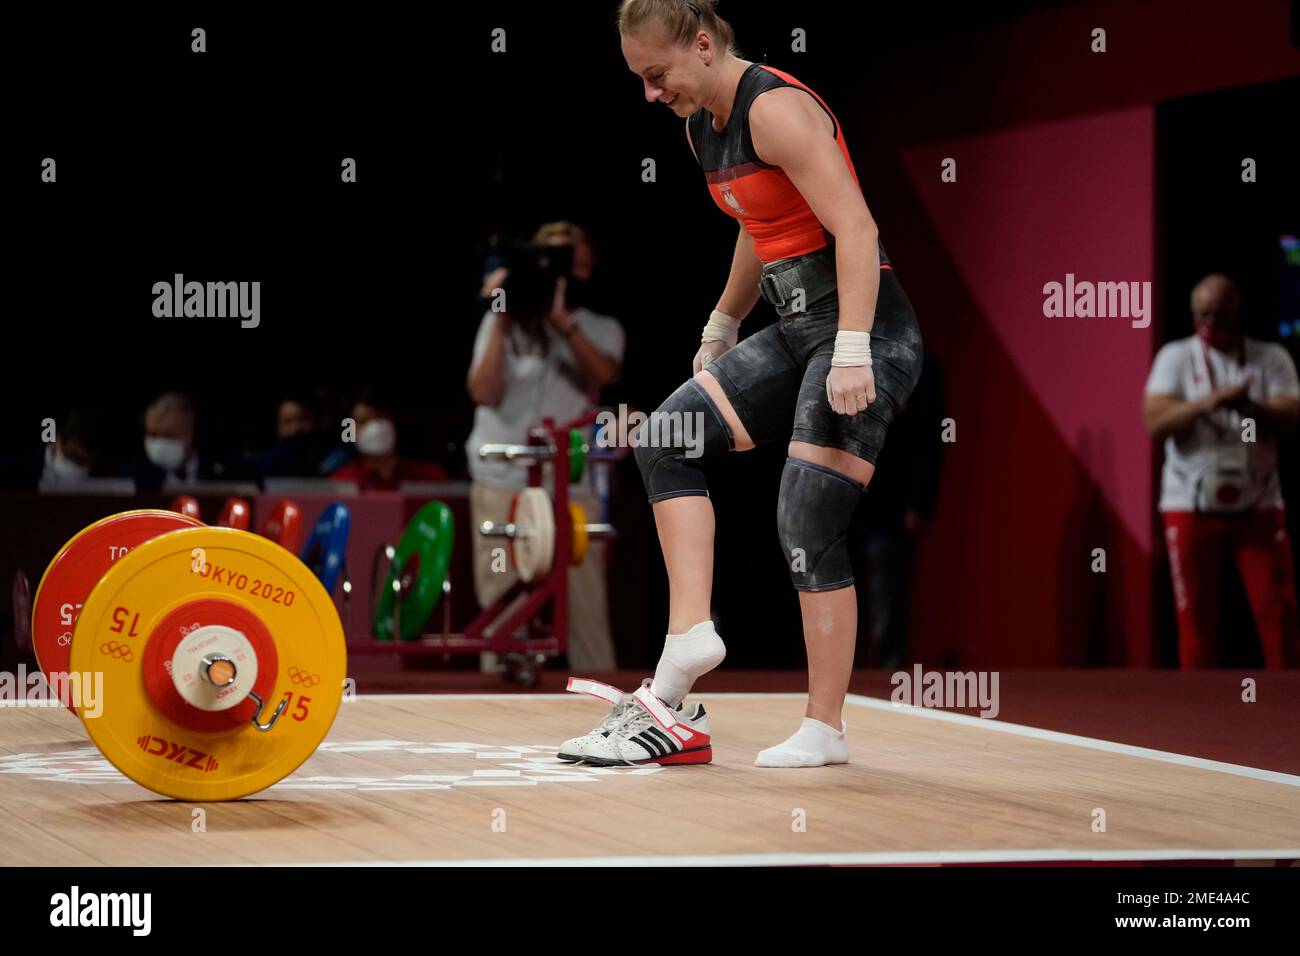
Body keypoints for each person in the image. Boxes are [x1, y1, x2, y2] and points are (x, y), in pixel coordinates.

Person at [559, 0, 924, 768]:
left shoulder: (779, 110)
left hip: (868, 333)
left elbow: (856, 228)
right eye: (641, 80)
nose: (651, 94)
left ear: (700, 45)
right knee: (664, 440)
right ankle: (691, 633)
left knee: (806, 516)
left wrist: (854, 347)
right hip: (796, 331)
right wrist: (722, 322)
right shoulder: (702, 128)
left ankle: (825, 729)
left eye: (657, 75)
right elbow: (757, 225)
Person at [466, 221, 626, 672]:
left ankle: (600, 697)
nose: (557, 271)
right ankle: (500, 694)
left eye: (568, 260)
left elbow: (603, 377)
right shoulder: (501, 325)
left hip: (568, 483)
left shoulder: (600, 327)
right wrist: (500, 312)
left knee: (586, 605)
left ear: (585, 268)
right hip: (500, 478)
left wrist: (562, 323)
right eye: (547, 259)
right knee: (501, 593)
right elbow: (483, 392)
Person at [1143, 273, 1300, 668]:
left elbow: (1291, 415)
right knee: (1194, 625)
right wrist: (1211, 402)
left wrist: (1252, 407)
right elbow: (1155, 420)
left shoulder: (1271, 358)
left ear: (1238, 311)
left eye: (1220, 312)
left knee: (1279, 618)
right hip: (1189, 501)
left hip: (1258, 502)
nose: (1211, 322)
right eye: (1203, 313)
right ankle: (1195, 720)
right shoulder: (1176, 357)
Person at [328, 391, 448, 491]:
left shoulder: (431, 479)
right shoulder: (341, 482)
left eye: (379, 417)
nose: (374, 427)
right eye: (363, 421)